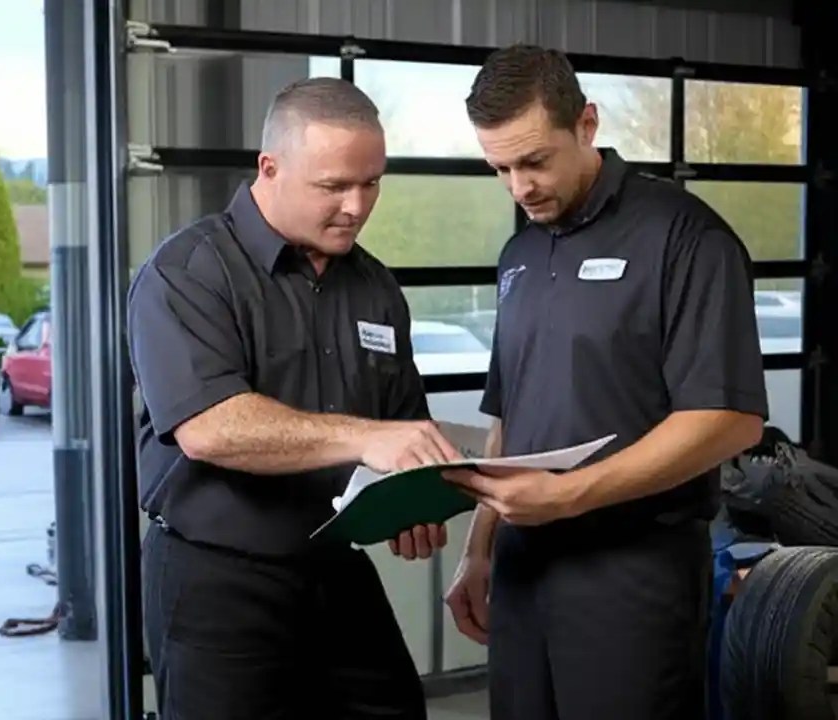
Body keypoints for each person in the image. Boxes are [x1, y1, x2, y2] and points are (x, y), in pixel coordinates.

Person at [440, 45, 769, 720]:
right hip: (525, 570)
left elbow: (729, 417)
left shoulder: (684, 237)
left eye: (534, 161)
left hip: (634, 578)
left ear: (587, 124)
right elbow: (510, 414)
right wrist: (479, 550)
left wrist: (567, 497)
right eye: (499, 168)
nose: (518, 187)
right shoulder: (520, 253)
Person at [127, 77, 464, 720]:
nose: (357, 205)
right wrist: (368, 439)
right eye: (333, 186)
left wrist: (411, 494)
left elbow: (398, 423)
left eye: (371, 183)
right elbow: (210, 426)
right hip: (216, 575)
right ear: (270, 168)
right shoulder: (189, 272)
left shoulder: (374, 287)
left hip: (332, 565)